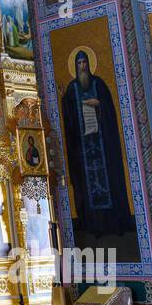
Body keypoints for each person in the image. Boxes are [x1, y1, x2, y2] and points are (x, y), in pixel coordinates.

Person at [62, 50, 134, 237]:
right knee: (87, 185)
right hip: (84, 149)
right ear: (76, 67)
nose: (83, 66)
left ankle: (114, 224)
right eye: (79, 64)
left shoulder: (98, 84)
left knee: (108, 181)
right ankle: (94, 225)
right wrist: (63, 100)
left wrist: (99, 103)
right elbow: (68, 117)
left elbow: (109, 108)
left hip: (102, 144)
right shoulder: (72, 88)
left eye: (85, 62)